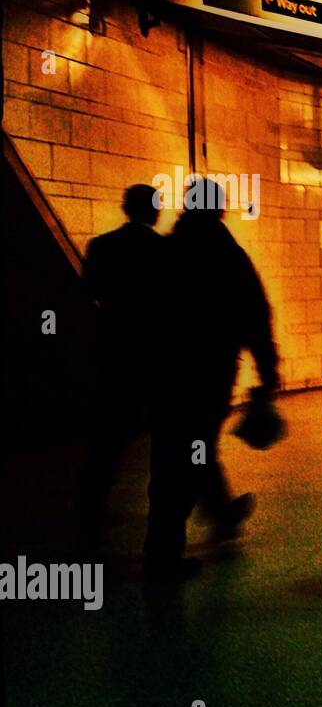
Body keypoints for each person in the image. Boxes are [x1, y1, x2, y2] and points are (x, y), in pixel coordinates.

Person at [143, 179, 280, 580]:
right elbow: (256, 314)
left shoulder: (165, 251)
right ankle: (165, 554)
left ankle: (182, 534)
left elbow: (144, 315)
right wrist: (268, 371)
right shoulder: (227, 255)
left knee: (172, 457)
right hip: (208, 376)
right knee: (191, 455)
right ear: (219, 208)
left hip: (165, 375)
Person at [75, 184, 165, 550]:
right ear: (154, 211)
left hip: (113, 355)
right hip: (154, 360)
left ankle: (87, 514)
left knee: (105, 444)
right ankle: (209, 513)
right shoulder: (164, 252)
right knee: (172, 443)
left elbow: (88, 295)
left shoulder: (101, 247)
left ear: (126, 208)